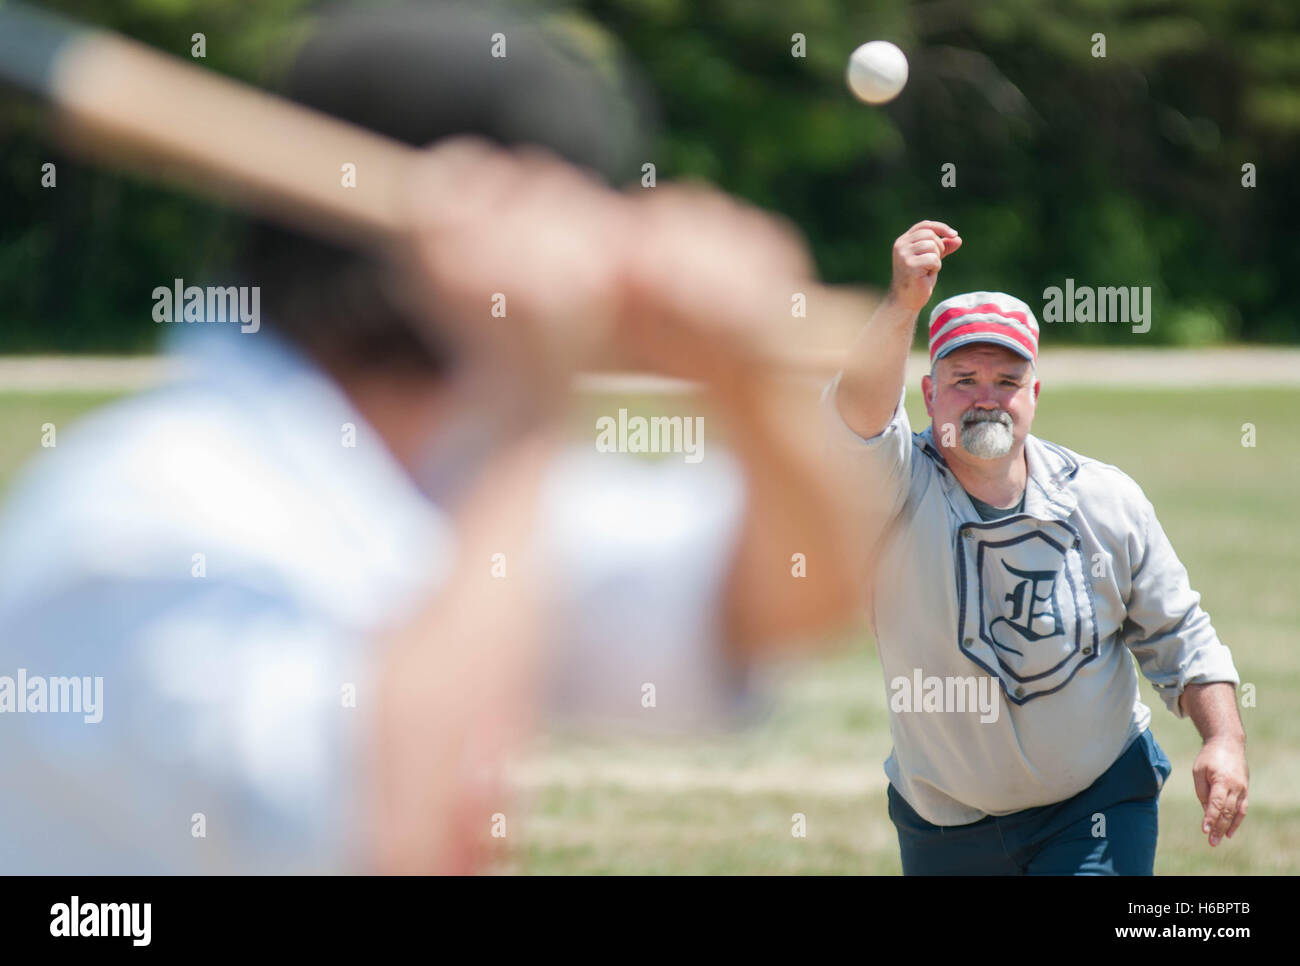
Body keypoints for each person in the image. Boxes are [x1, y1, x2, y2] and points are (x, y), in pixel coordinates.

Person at [0, 3, 860, 873]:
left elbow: (790, 605)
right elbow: (387, 836)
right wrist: (530, 406)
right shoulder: (145, 522)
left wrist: (740, 393)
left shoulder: (431, 474)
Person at [823, 220, 1249, 875]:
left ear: (1034, 396)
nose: (986, 399)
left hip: (1096, 802)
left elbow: (1179, 631)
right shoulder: (896, 488)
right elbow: (857, 422)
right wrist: (901, 305)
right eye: (964, 379)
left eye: (1006, 381)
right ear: (928, 394)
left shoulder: (1102, 499)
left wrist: (1223, 738)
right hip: (945, 821)